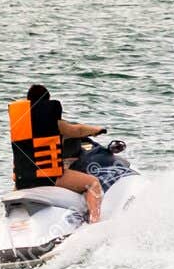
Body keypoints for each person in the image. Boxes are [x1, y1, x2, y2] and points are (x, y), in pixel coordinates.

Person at [7, 83, 108, 223]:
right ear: (47, 101)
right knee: (93, 184)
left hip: (22, 181)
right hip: (48, 178)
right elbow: (77, 130)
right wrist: (97, 130)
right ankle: (94, 222)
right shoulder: (53, 123)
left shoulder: (19, 125)